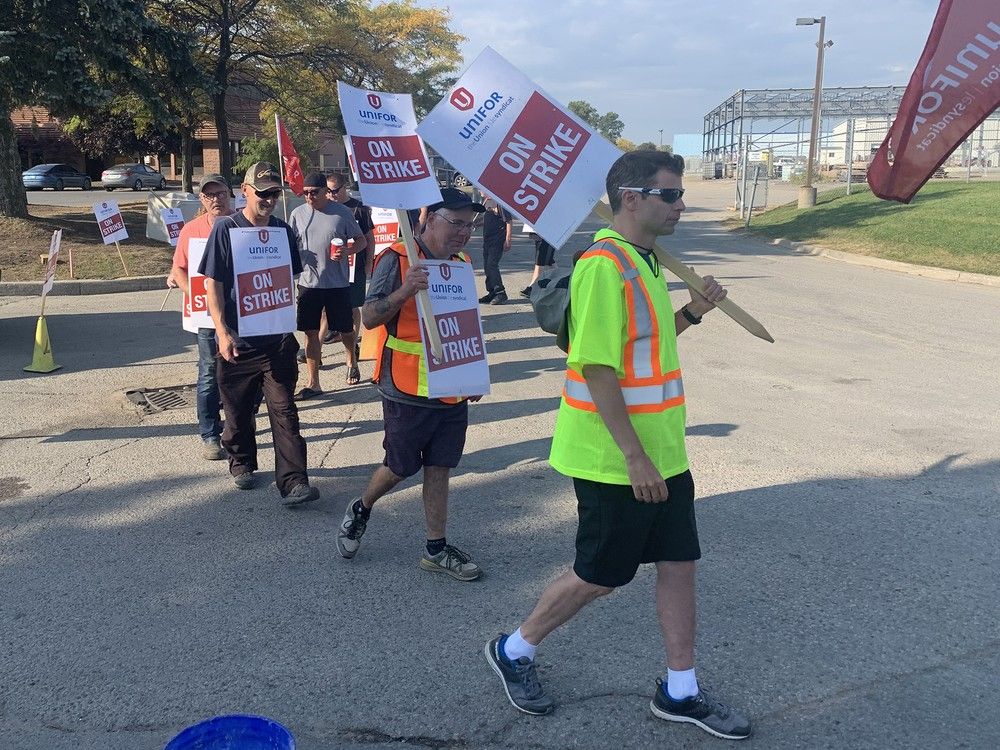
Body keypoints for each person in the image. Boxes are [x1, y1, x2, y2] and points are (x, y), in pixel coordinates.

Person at [483, 151, 751, 741]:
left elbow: (644, 347)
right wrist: (633, 457)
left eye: (680, 194)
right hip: (614, 457)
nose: (682, 204)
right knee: (601, 575)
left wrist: (694, 313)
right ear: (632, 198)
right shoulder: (606, 266)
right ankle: (513, 649)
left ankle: (680, 690)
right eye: (671, 195)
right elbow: (598, 368)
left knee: (679, 562)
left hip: (663, 451)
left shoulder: (647, 262)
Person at [336, 188, 486, 580]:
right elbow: (368, 318)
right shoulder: (398, 259)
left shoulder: (460, 264)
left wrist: (470, 372)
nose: (463, 232)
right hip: (405, 383)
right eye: (456, 223)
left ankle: (436, 549)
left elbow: (464, 323)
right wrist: (406, 290)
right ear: (428, 217)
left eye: (469, 225)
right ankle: (362, 507)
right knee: (401, 466)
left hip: (451, 385)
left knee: (440, 466)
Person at [199, 162, 319, 507]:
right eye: (261, 192)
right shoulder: (226, 229)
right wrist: (222, 333)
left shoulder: (282, 230)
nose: (268, 198)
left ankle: (294, 481)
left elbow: (288, 278)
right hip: (238, 342)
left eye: (274, 193)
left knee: (285, 412)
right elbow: (214, 284)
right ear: (245, 191)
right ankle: (242, 461)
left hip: (277, 343)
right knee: (237, 414)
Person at [167, 173, 233, 460]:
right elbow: (178, 268)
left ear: (229, 194)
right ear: (201, 199)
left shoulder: (241, 224)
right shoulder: (191, 230)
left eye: (220, 193)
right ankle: (210, 434)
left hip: (242, 313)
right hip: (207, 316)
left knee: (243, 373)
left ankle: (239, 422)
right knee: (209, 372)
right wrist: (191, 290)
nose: (215, 199)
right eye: (209, 195)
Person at [288, 172, 367, 395]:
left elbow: (361, 240)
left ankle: (351, 359)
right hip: (308, 283)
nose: (309, 197)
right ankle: (314, 382)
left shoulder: (341, 213)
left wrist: (347, 250)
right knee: (310, 332)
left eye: (314, 192)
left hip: (337, 283)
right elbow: (290, 244)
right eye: (305, 193)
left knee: (345, 329)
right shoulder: (297, 214)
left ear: (325, 192)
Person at [327, 173, 376, 355]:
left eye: (334, 191)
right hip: (332, 266)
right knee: (326, 306)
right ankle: (323, 342)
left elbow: (370, 239)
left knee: (352, 305)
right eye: (328, 191)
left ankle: (353, 341)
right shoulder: (327, 208)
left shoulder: (359, 209)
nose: (331, 195)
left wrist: (369, 264)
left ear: (344, 187)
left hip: (355, 266)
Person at [477, 192, 513, 305]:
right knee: (486, 266)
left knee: (492, 264)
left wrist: (508, 240)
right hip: (487, 239)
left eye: (481, 189)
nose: (479, 191)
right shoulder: (486, 201)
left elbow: (509, 221)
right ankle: (491, 291)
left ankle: (500, 292)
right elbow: (487, 219)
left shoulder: (499, 202)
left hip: (497, 240)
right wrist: (474, 223)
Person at [520, 229, 556, 298]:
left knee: (540, 262)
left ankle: (532, 287)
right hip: (542, 235)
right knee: (549, 261)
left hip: (548, 236)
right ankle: (565, 280)